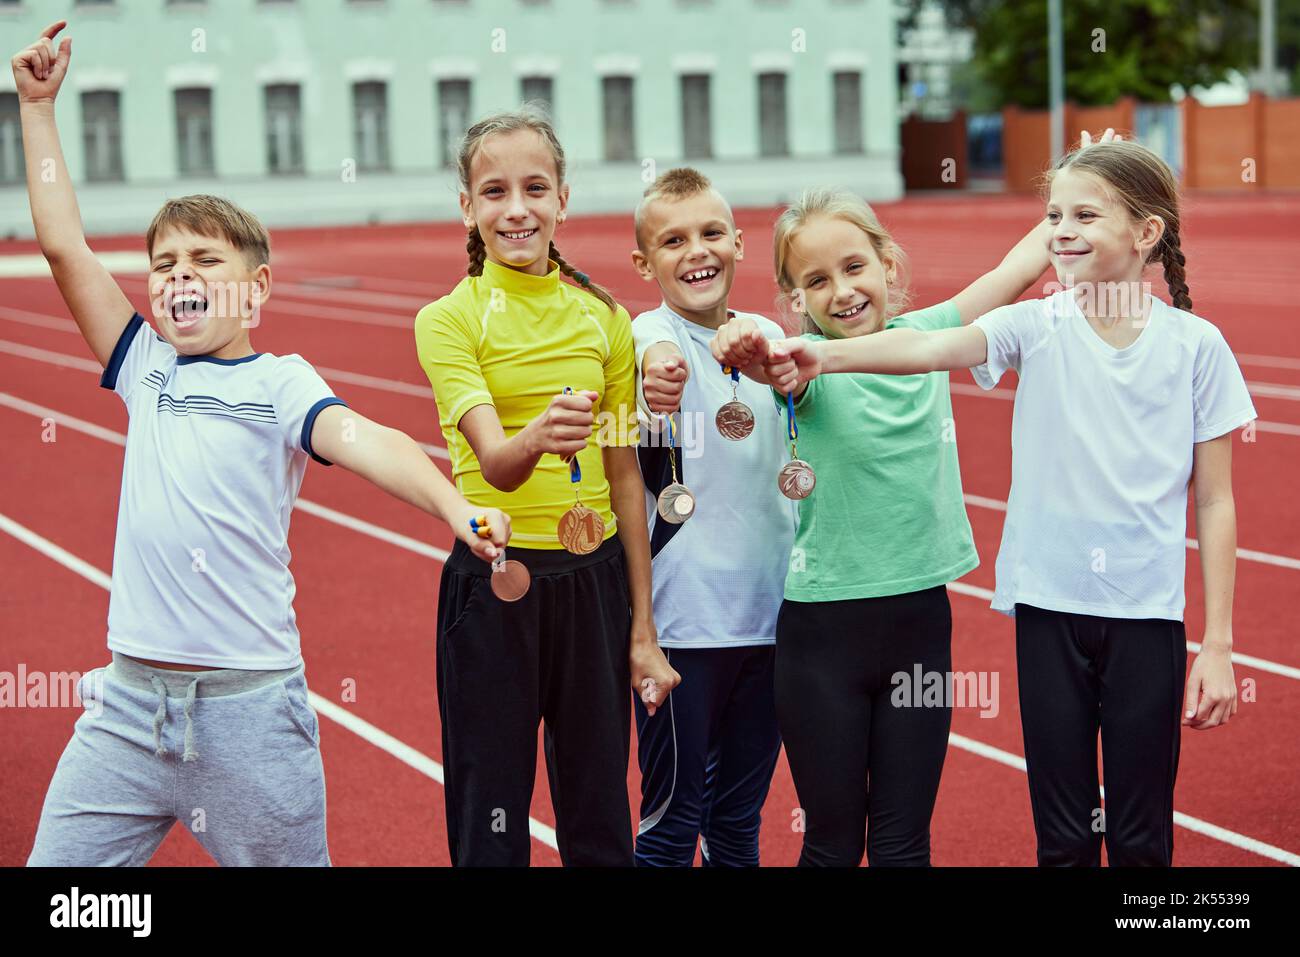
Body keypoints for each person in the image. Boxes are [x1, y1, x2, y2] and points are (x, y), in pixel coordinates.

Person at [15, 22, 509, 867]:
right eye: (164, 262)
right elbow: (64, 246)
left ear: (257, 288)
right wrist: (36, 108)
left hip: (248, 713)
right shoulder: (145, 366)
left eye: (204, 259)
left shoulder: (279, 383)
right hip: (128, 707)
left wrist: (452, 503)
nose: (179, 275)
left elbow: (367, 437)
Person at [754, 137, 1254, 866]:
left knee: (1142, 838)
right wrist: (819, 354)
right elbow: (929, 347)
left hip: (1148, 614)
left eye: (1086, 213)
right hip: (1044, 609)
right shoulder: (1032, 326)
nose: (1065, 229)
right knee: (1062, 839)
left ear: (1148, 232)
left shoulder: (1197, 346)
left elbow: (1214, 499)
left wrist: (1219, 643)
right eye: (1054, 214)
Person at [712, 184, 1057, 866]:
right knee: (834, 845)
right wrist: (744, 340)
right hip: (821, 640)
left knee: (903, 845)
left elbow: (1018, 270)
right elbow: (765, 361)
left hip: (919, 626)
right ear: (796, 301)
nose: (841, 290)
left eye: (853, 266)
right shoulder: (804, 363)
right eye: (816, 280)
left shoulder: (929, 336)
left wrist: (1079, 183)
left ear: (887, 265)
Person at [414, 107, 679, 867]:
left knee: (599, 816)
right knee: (490, 816)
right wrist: (538, 437)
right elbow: (495, 464)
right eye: (494, 191)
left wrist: (642, 627)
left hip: (593, 586)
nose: (517, 208)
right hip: (496, 585)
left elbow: (626, 477)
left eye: (536, 187)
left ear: (564, 197)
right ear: (467, 208)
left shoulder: (605, 318)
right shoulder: (448, 321)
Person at [627, 168, 797, 866]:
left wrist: (767, 360)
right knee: (671, 822)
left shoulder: (765, 335)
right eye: (672, 240)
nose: (695, 251)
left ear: (738, 244)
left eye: (709, 234)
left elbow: (790, 379)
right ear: (644, 264)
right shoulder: (643, 335)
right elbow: (653, 355)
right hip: (683, 631)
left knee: (737, 821)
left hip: (771, 623)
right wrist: (659, 371)